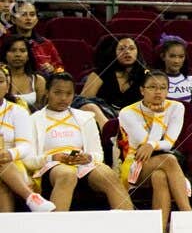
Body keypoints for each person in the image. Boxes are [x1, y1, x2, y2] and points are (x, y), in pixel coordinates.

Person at [28, 73, 134, 212]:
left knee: (108, 175)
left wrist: (88, 157)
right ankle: (54, 230)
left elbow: (98, 154)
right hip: (51, 165)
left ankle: (129, 225)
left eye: (68, 93)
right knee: (67, 174)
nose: (63, 98)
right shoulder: (33, 120)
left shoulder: (85, 118)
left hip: (82, 164)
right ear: (47, 92)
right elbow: (28, 159)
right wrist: (52, 158)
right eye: (58, 93)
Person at [116, 71, 192, 232]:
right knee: (169, 160)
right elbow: (144, 146)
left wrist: (151, 145)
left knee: (160, 176)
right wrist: (158, 117)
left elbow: (169, 143)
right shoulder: (127, 113)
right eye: (152, 87)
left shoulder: (177, 107)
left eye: (163, 88)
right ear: (142, 90)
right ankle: (188, 215)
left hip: (162, 163)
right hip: (134, 163)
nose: (158, 92)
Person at [0, 79, 54, 212]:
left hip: (10, 162)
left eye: (0, 81)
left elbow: (25, 146)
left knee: (2, 175)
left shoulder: (17, 111)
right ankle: (31, 197)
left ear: (7, 87)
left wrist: (10, 154)